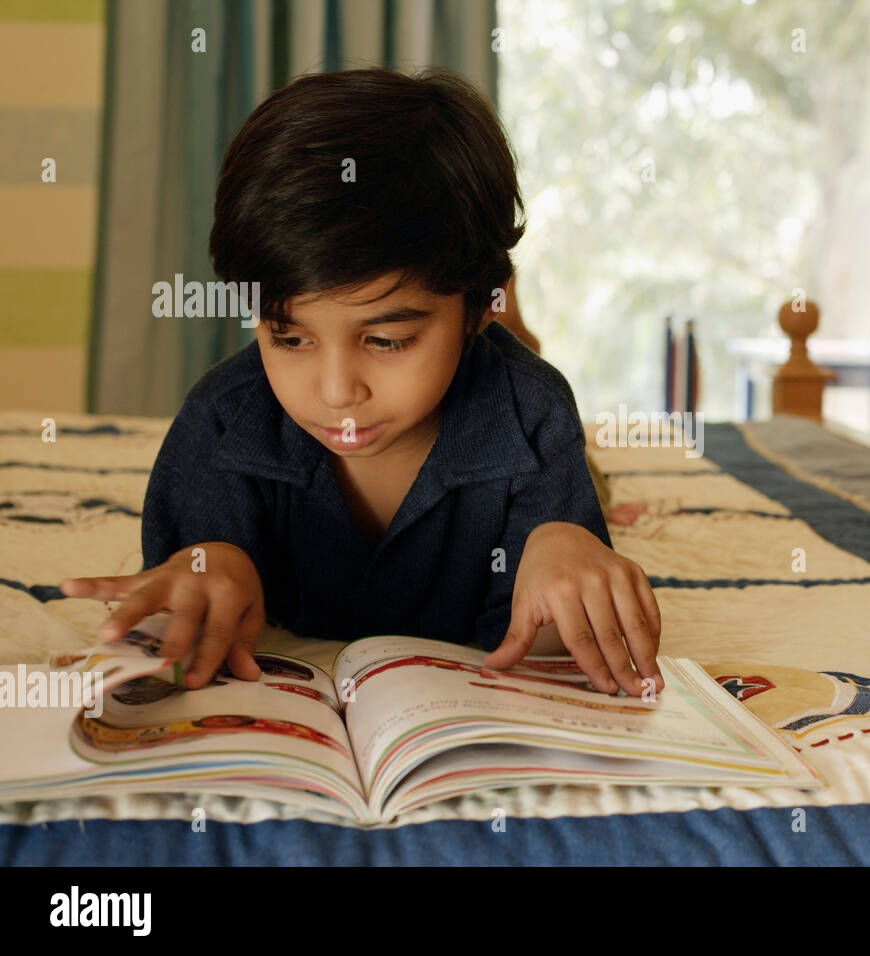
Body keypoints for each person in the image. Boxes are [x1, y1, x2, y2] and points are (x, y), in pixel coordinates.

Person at [60, 67, 662, 699]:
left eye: (386, 340)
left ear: (483, 303)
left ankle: (572, 444)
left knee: (574, 481)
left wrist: (563, 552)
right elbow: (186, 585)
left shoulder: (530, 411)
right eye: (289, 339)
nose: (337, 391)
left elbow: (539, 637)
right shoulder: (223, 416)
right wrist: (211, 572)